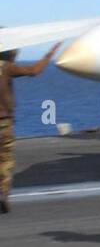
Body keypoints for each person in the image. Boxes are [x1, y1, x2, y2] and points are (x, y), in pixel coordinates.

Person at [0, 40, 61, 214]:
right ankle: (3, 194)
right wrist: (49, 55)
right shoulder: (6, 67)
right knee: (5, 161)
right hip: (4, 123)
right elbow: (34, 71)